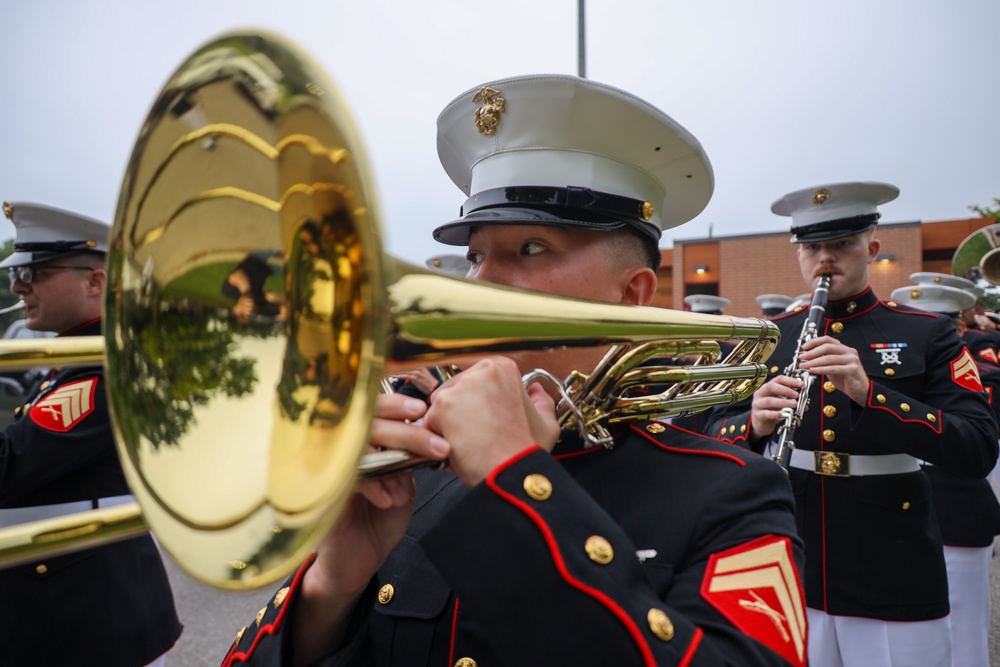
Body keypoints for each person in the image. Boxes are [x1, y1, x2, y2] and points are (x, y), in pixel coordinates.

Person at [222, 74, 807, 667]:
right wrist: (331, 590)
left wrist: (516, 486)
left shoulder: (733, 491)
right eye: (476, 255)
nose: (479, 284)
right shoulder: (417, 469)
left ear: (630, 295)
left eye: (530, 248)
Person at [704, 182, 999, 667]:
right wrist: (752, 424)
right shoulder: (773, 337)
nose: (825, 259)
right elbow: (709, 431)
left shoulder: (925, 332)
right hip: (794, 557)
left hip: (893, 562)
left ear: (872, 248)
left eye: (841, 244)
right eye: (813, 247)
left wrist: (870, 393)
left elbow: (976, 446)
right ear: (799, 253)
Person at [0, 201, 182, 666]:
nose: (18, 285)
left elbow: (9, 467)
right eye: (19, 273)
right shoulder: (72, 363)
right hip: (69, 608)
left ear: (96, 281)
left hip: (91, 623)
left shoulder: (104, 370)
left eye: (35, 271)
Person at [888, 280, 1000, 667]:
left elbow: (977, 440)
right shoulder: (890, 366)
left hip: (957, 505)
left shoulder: (981, 371)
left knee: (965, 633)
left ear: (960, 329)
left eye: (943, 325)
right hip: (896, 509)